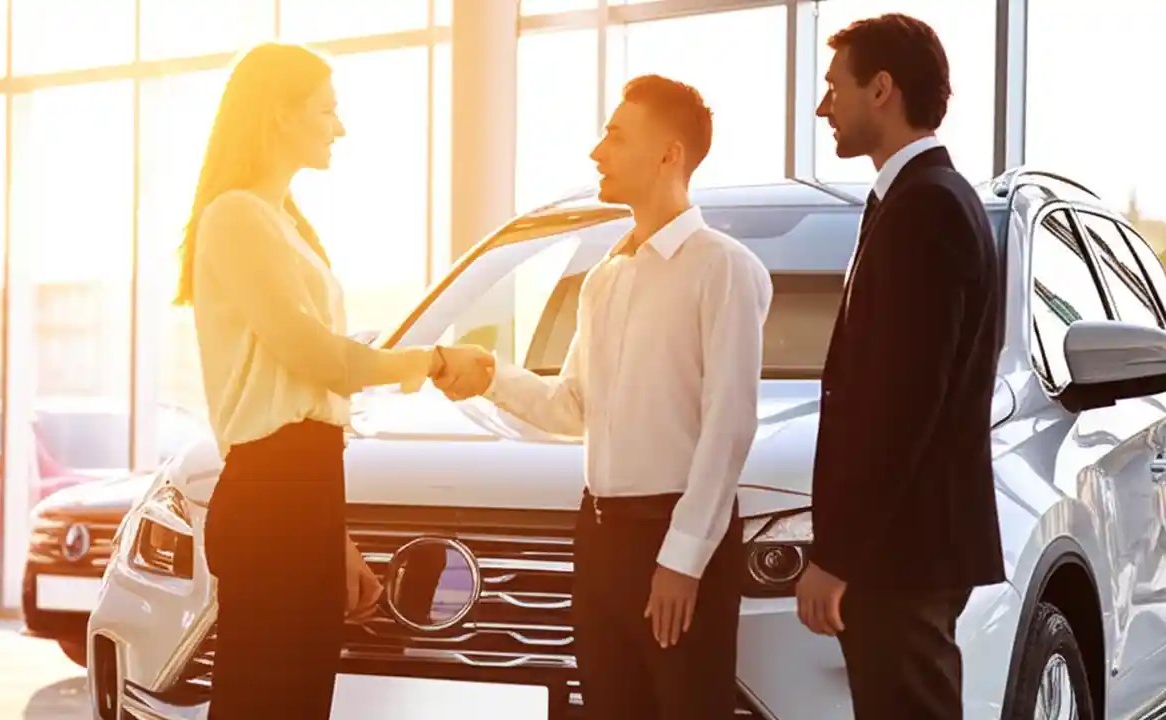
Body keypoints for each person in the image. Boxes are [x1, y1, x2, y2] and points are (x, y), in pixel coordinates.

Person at [434, 74, 771, 719]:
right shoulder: (603, 281)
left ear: (670, 154)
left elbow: (729, 426)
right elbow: (574, 408)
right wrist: (491, 377)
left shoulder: (722, 268)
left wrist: (683, 559)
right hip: (600, 540)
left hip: (673, 538)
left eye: (616, 136)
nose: (597, 153)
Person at [175, 43, 452, 719]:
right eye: (327, 109)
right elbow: (323, 362)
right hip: (272, 496)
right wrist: (435, 363)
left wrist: (336, 539)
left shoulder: (285, 223)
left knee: (295, 702)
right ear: (277, 116)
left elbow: (316, 402)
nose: (340, 126)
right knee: (263, 702)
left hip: (305, 492)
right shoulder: (236, 217)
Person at [794, 13, 1006, 720]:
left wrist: (839, 554)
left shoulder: (928, 209)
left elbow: (902, 404)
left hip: (902, 555)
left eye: (835, 87)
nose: (825, 106)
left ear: (881, 89)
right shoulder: (912, 201)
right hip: (903, 549)